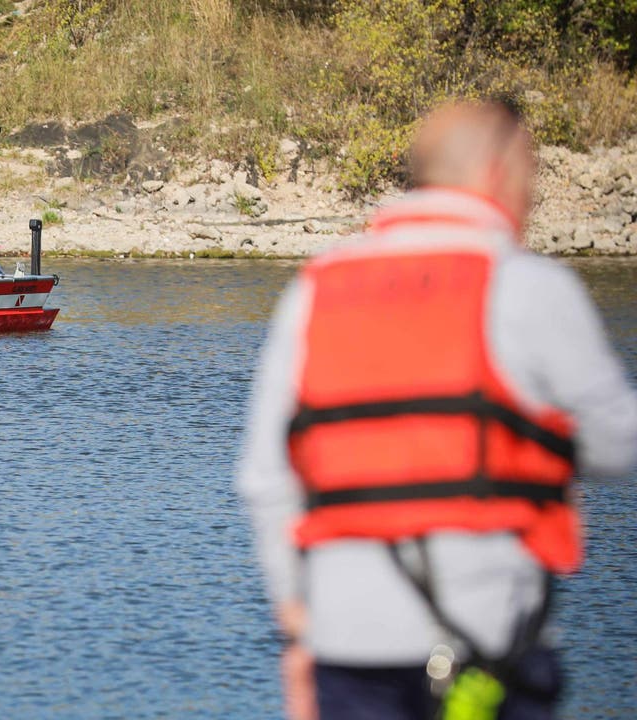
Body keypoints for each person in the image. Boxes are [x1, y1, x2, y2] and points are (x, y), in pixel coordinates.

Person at [236, 99, 637, 720]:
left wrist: (297, 630)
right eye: (531, 175)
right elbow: (617, 443)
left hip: (347, 646)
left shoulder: (317, 288)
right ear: (500, 170)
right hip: (488, 645)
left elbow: (266, 479)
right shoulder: (526, 284)